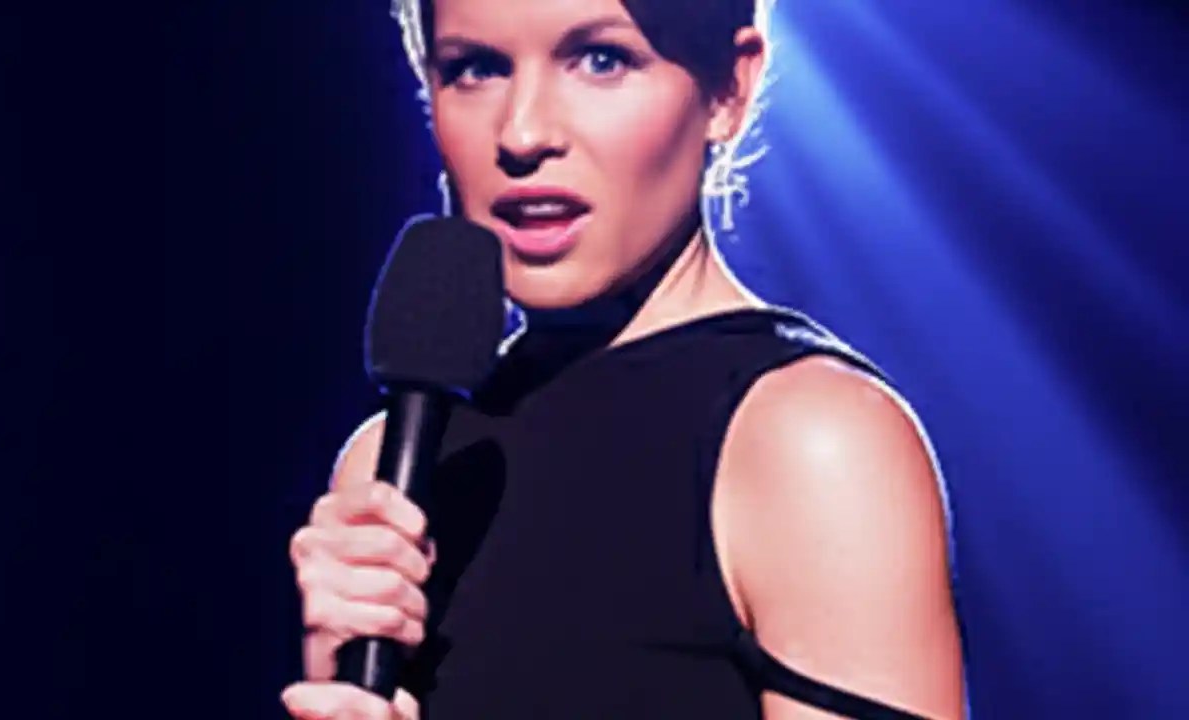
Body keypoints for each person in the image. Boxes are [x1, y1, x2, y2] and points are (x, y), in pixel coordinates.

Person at [284, 0, 966, 717]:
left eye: (601, 60)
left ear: (729, 89)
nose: (522, 133)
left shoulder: (810, 442)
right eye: (476, 69)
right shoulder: (393, 469)